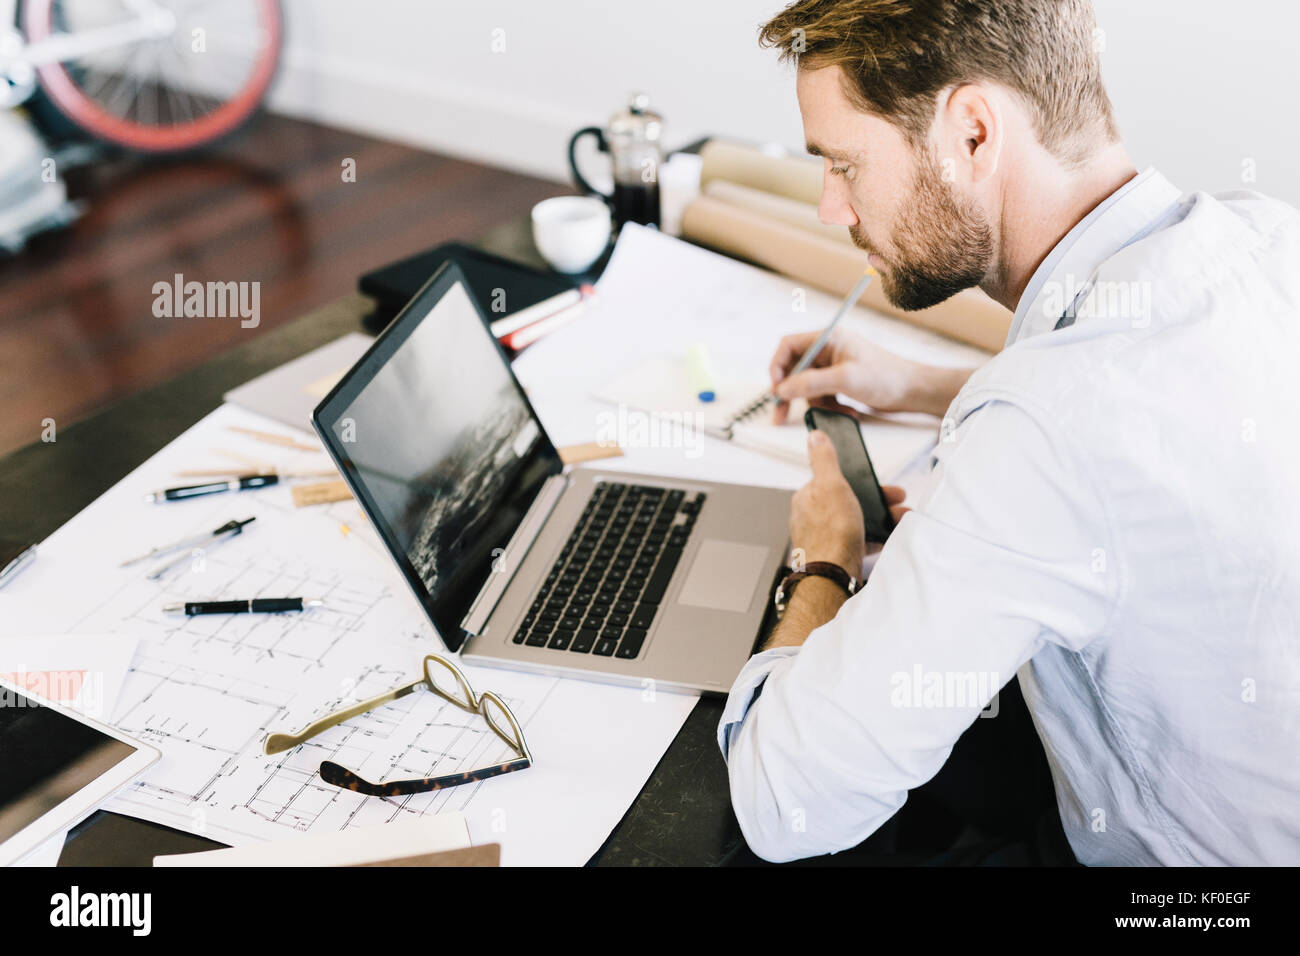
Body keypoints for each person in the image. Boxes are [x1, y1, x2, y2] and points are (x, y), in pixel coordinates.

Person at [720, 0, 1300, 865]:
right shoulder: (1262, 237)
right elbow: (1139, 423)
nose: (829, 210)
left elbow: (784, 802)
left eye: (843, 164)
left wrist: (825, 563)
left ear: (974, 135)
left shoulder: (1043, 430)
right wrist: (923, 384)